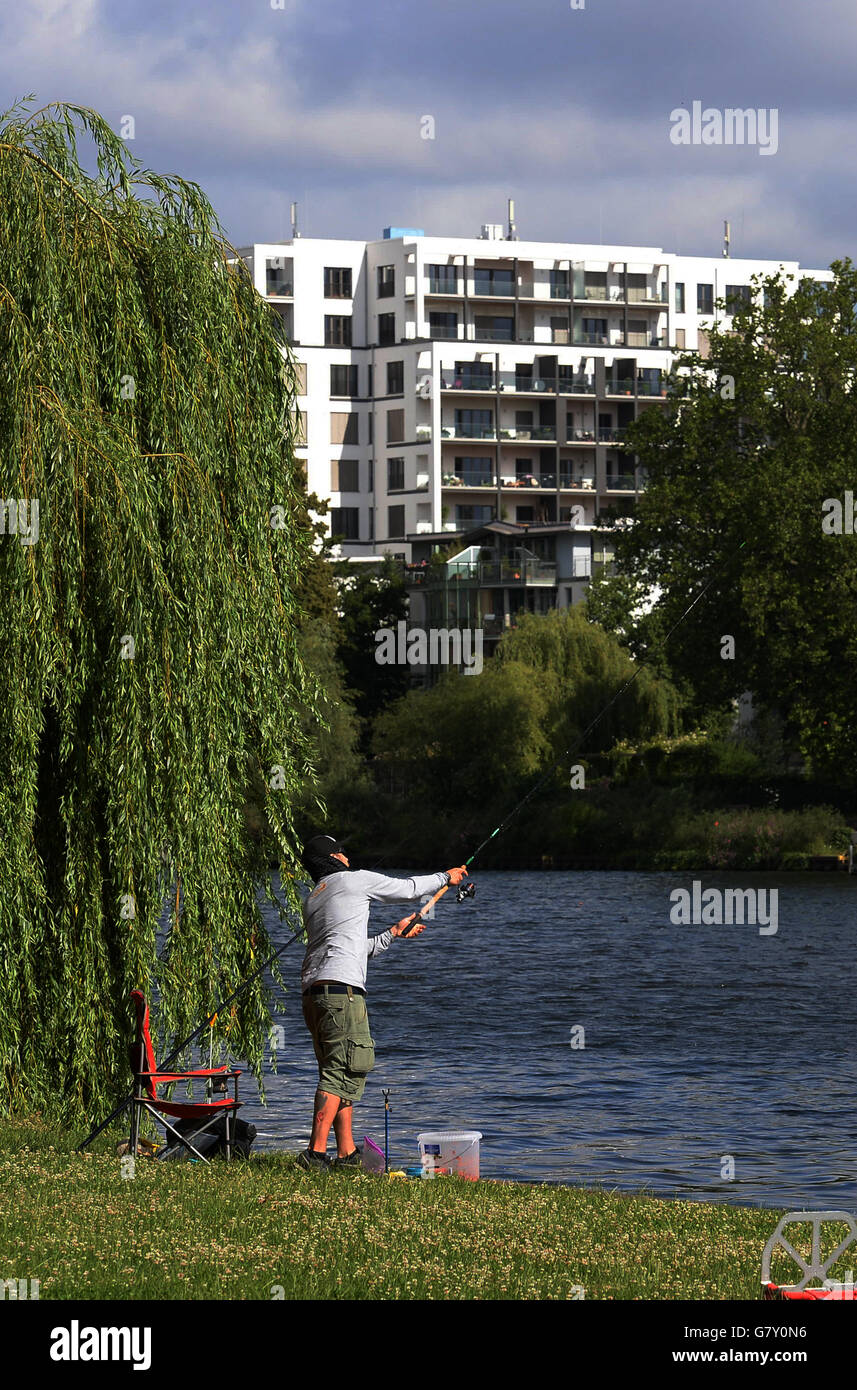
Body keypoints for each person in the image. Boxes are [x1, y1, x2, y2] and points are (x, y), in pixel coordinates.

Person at [297, 834, 468, 1172]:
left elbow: (355, 948)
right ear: (334, 857)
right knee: (343, 1068)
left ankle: (346, 1154)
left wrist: (392, 932)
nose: (348, 857)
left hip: (315, 994)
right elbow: (407, 888)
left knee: (341, 1070)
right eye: (343, 852)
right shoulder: (353, 879)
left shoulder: (315, 897)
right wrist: (446, 877)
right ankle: (314, 1155)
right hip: (341, 993)